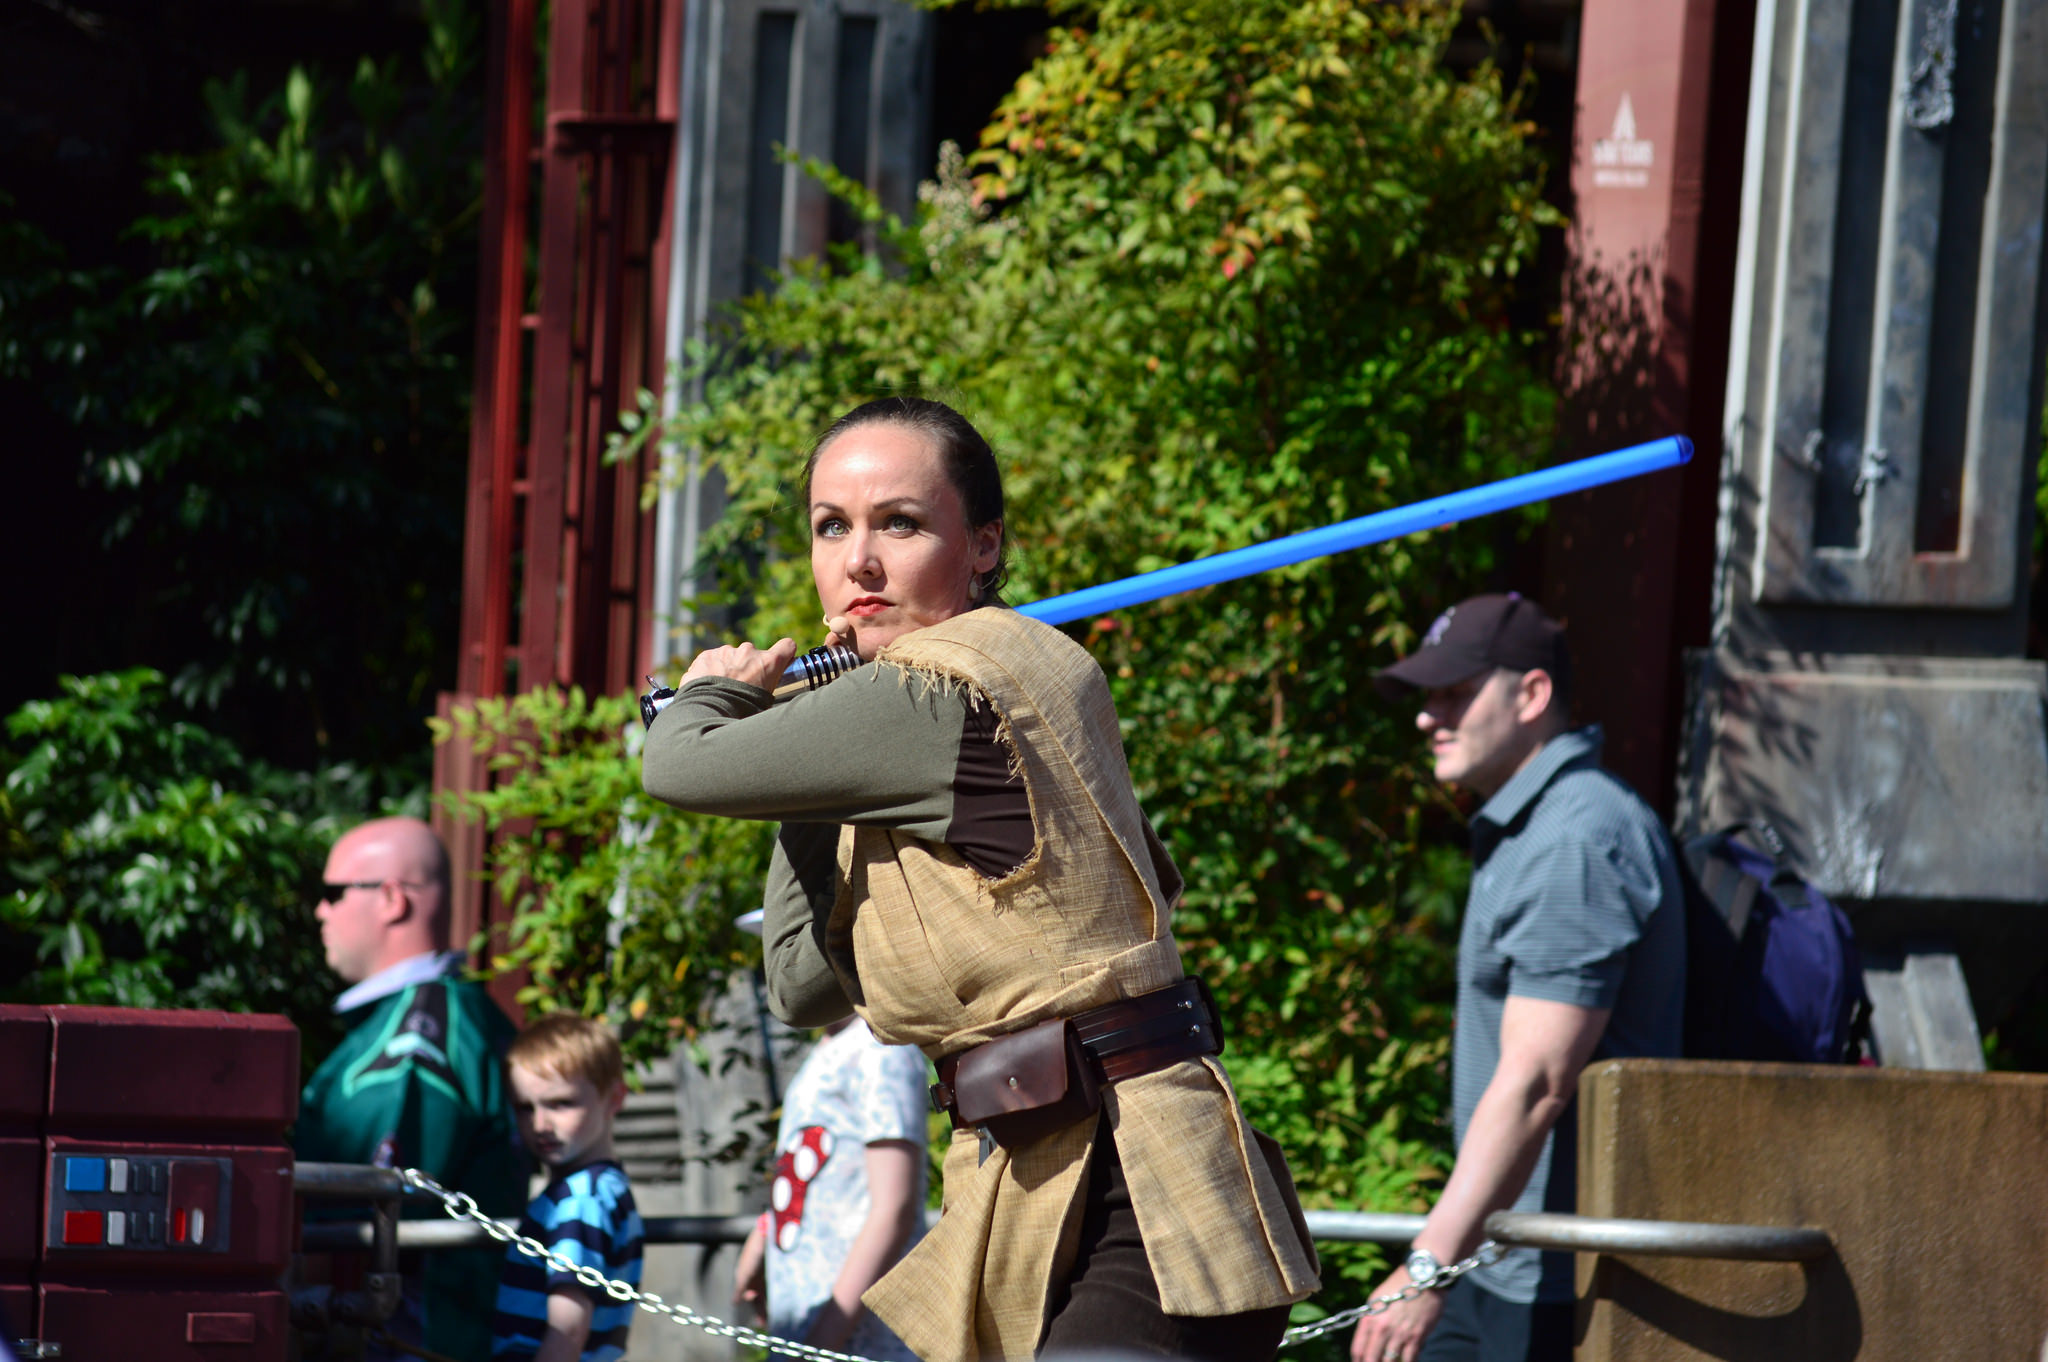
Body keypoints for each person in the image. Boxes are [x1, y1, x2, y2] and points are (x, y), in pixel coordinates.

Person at [642, 396, 1319, 1362]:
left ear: (985, 545)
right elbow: (802, 985)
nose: (859, 562)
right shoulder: (903, 709)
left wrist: (716, 698)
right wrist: (794, 760)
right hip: (1025, 1188)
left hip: (1144, 1187)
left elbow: (674, 765)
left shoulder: (947, 682)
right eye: (831, 526)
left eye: (901, 523)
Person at [1353, 594, 1684, 1362]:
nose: (1426, 718)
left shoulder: (1575, 838)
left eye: (1455, 694)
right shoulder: (1532, 823)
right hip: (1504, 1254)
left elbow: (1537, 1083)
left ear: (1532, 695)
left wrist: (1425, 1269)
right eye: (1428, 696)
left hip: (1557, 1276)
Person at [295, 816, 527, 1362]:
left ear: (392, 900)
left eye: (333, 893)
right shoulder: (449, 1016)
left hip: (408, 1342)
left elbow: (373, 1217)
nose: (320, 911)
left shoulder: (411, 1044)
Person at [731, 1016, 928, 1360]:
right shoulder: (828, 1048)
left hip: (860, 1345)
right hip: (805, 1335)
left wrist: (821, 1345)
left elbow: (893, 1208)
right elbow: (817, 1174)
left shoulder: (881, 1047)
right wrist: (765, 1232)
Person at [491, 1014, 644, 1362]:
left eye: (561, 1103)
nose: (540, 1124)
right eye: (524, 1108)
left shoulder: (581, 1199)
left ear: (614, 1098)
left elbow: (568, 1329)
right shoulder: (600, 1189)